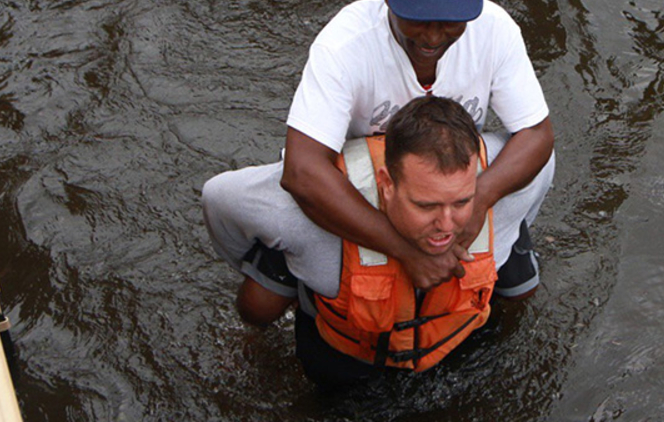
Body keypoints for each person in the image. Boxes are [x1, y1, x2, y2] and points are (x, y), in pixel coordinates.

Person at [278, 0, 557, 297]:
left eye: (450, 21)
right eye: (418, 17)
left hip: (452, 189)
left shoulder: (495, 29)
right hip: (371, 187)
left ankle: (504, 240)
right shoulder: (344, 45)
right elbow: (301, 170)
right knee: (262, 304)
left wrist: (478, 201)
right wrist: (402, 249)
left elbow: (537, 134)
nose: (432, 36)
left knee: (518, 292)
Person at [203, 95, 552, 386]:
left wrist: (499, 227)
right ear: (386, 185)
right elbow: (218, 198)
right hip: (347, 344)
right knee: (257, 308)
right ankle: (285, 267)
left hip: (451, 333)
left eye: (461, 202)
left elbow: (543, 154)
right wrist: (284, 259)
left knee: (522, 289)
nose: (447, 226)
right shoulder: (298, 216)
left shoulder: (507, 180)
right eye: (425, 205)